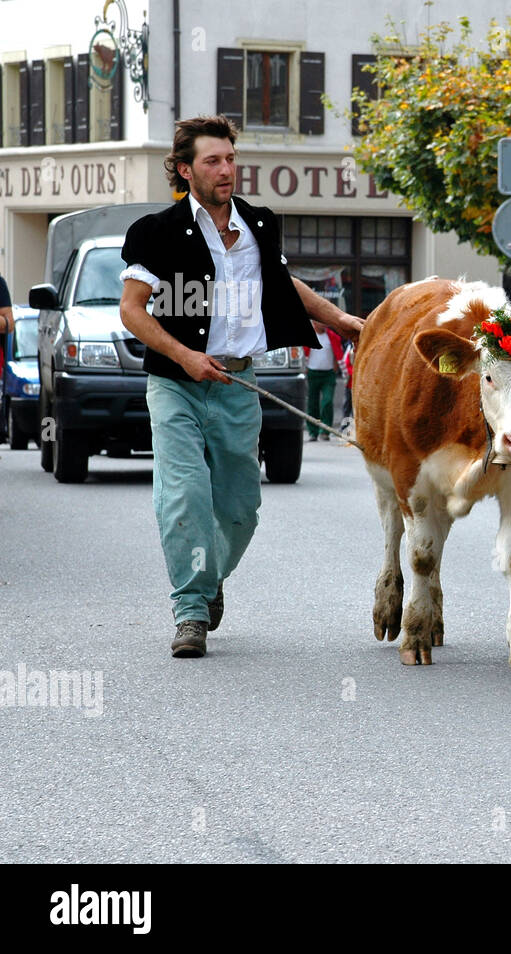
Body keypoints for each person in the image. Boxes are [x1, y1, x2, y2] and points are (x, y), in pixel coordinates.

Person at [119, 115, 365, 658]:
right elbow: (132, 311)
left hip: (239, 381)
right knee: (183, 495)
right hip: (175, 383)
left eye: (230, 158)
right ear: (185, 170)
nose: (226, 169)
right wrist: (185, 356)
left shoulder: (259, 224)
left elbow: (283, 284)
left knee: (240, 505)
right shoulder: (155, 232)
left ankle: (208, 578)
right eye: (213, 161)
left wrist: (342, 320)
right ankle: (190, 610)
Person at [305, 321, 343, 441]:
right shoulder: (307, 335)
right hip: (312, 373)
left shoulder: (332, 337)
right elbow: (302, 353)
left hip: (328, 375)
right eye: (319, 322)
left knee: (327, 401)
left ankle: (325, 430)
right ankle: (313, 431)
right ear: (314, 323)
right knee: (312, 404)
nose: (323, 324)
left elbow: (338, 353)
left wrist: (336, 367)